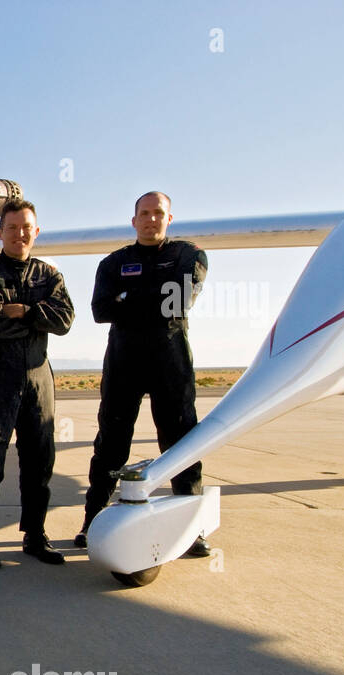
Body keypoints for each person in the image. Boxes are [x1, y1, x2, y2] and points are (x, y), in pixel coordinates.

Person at [76, 191, 210, 554]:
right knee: (111, 444)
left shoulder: (188, 255)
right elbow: (101, 310)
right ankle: (93, 520)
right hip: (124, 361)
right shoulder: (113, 262)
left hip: (170, 361)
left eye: (158, 213)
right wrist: (146, 298)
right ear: (134, 221)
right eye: (145, 214)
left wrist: (128, 299)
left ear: (169, 218)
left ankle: (191, 528)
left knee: (181, 441)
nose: (151, 219)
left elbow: (179, 300)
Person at [0, 199, 74, 567]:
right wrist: (40, 316)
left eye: (26, 227)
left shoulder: (49, 275)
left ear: (36, 231)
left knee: (39, 459)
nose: (20, 234)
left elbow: (65, 321)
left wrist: (26, 310)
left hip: (38, 378)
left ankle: (35, 533)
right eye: (12, 228)